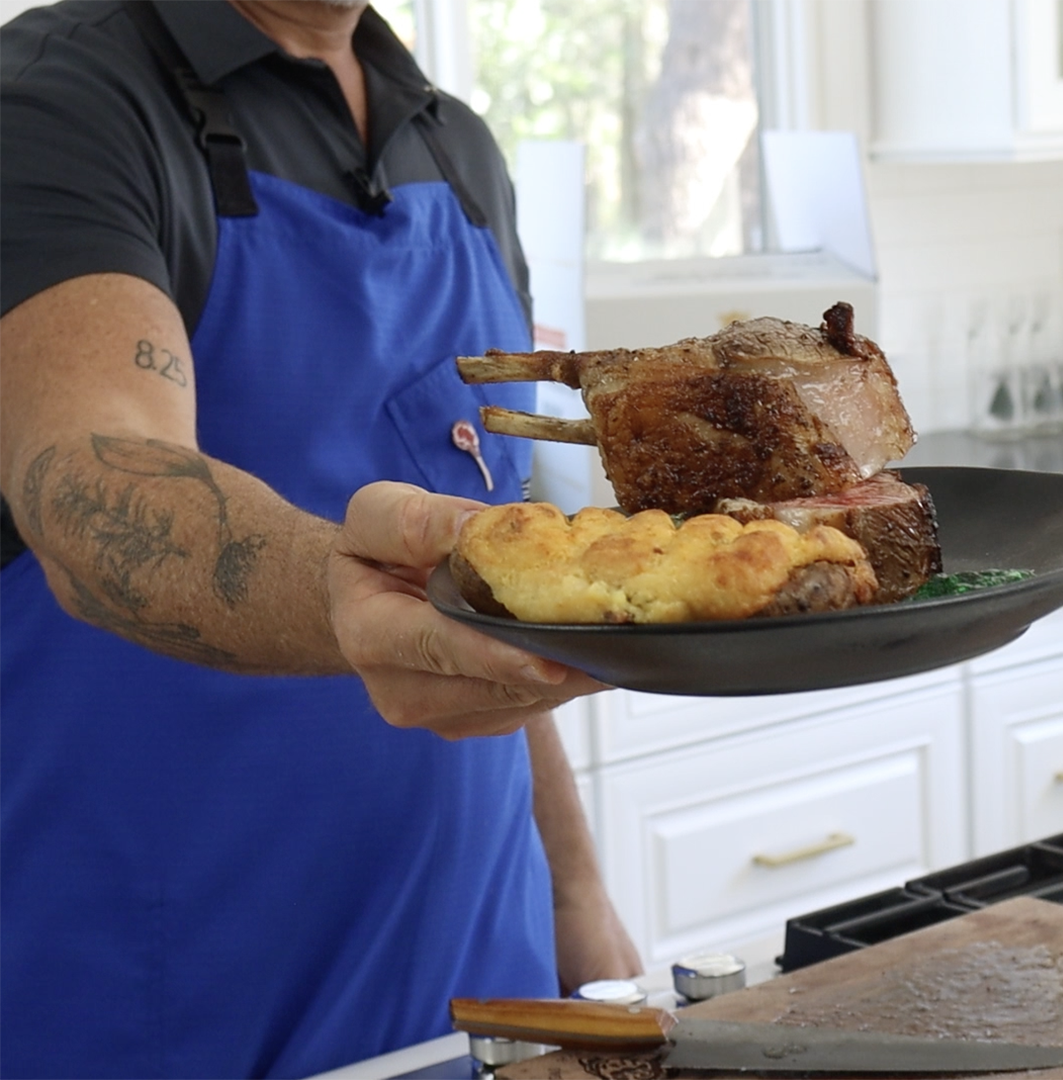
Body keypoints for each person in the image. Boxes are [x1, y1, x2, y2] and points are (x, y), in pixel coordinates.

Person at [0, 0, 642, 1076]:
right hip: (165, 1012)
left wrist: (577, 898)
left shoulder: (457, 147)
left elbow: (489, 586)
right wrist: (344, 598)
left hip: (485, 991)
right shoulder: (55, 102)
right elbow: (85, 482)